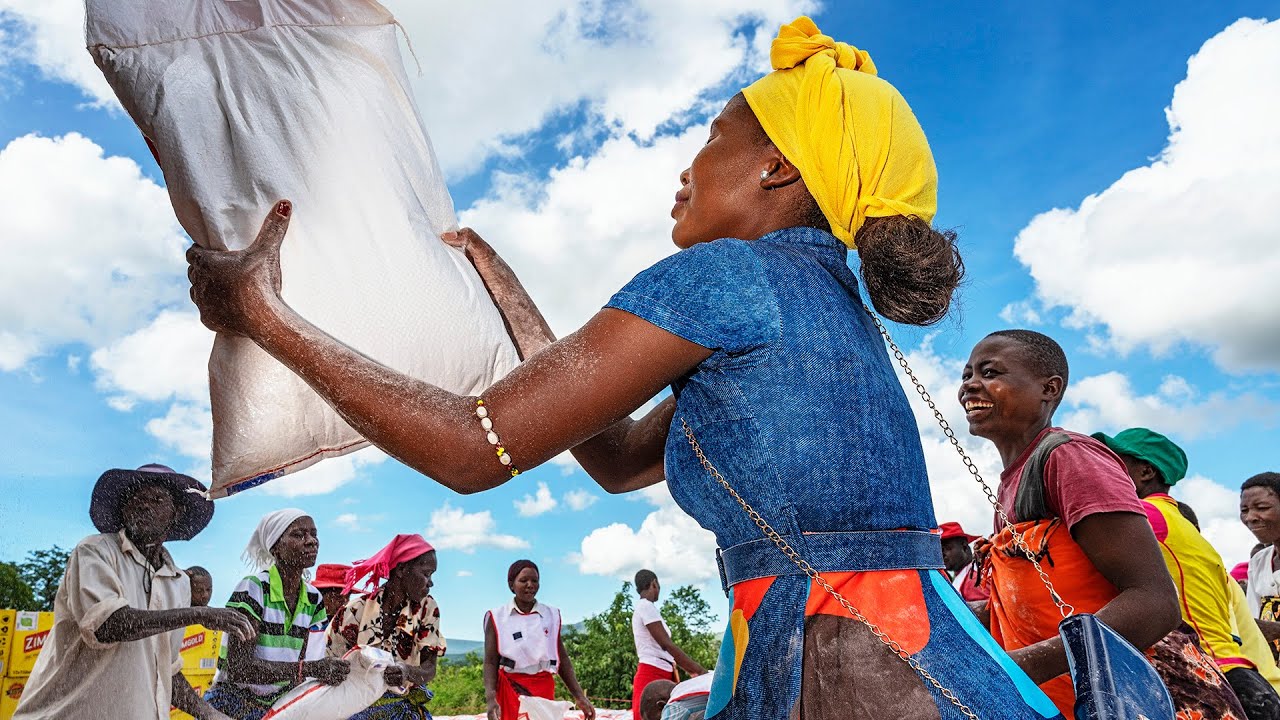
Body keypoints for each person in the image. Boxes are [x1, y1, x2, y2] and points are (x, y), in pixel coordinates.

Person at [186, 15, 1062, 718]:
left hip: (831, 670)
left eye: (712, 138)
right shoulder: (826, 307)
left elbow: (472, 448)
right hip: (913, 657)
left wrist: (262, 315)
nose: (686, 167)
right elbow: (615, 459)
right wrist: (512, 299)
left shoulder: (725, 277)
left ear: (775, 168)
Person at [961, 329, 1245, 719]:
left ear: (1049, 389)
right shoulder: (1010, 485)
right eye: (967, 375)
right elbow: (1017, 605)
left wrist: (1017, 669)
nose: (970, 384)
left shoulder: (1069, 458)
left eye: (990, 372)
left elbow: (1155, 602)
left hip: (1148, 698)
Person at [13, 464, 254, 720]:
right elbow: (108, 625)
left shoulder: (179, 582)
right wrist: (197, 614)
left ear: (176, 512)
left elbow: (166, 670)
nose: (144, 506)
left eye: (157, 500)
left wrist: (210, 714)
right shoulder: (95, 552)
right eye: (136, 499)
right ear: (124, 509)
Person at [1097, 427, 1280, 719]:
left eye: (1114, 462)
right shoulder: (1180, 524)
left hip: (1207, 676)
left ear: (1146, 472)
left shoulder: (1145, 514)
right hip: (1236, 674)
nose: (1101, 471)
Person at [205, 509, 349, 719]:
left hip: (280, 705)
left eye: (314, 534)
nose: (311, 541)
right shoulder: (254, 589)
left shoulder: (313, 598)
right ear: (275, 548)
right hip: (234, 703)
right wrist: (308, 669)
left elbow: (311, 662)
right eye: (298, 535)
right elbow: (239, 669)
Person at [328, 533, 444, 719]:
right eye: (426, 574)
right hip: (356, 706)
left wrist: (407, 672)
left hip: (403, 708)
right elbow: (332, 664)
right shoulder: (355, 611)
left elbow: (429, 668)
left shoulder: (426, 608)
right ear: (401, 570)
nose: (430, 583)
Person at [484, 560, 593, 720]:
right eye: (523, 580)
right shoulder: (497, 617)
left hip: (543, 689)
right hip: (511, 690)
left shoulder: (550, 615)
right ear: (511, 584)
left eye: (534, 580)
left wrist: (579, 696)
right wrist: (491, 699)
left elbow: (561, 658)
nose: (530, 585)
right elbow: (490, 662)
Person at [631, 569, 705, 720]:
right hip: (652, 672)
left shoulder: (646, 608)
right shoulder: (645, 606)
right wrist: (697, 670)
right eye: (658, 585)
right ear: (653, 583)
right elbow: (666, 644)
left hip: (662, 671)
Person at [1241, 472, 1280, 656]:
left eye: (1262, 507)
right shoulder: (1259, 561)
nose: (1250, 517)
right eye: (1244, 510)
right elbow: (1253, 618)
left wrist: (1276, 629)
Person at [939, 522, 989, 602]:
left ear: (964, 546)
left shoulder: (973, 580)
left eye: (947, 548)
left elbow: (989, 608)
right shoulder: (964, 575)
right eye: (939, 550)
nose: (942, 554)